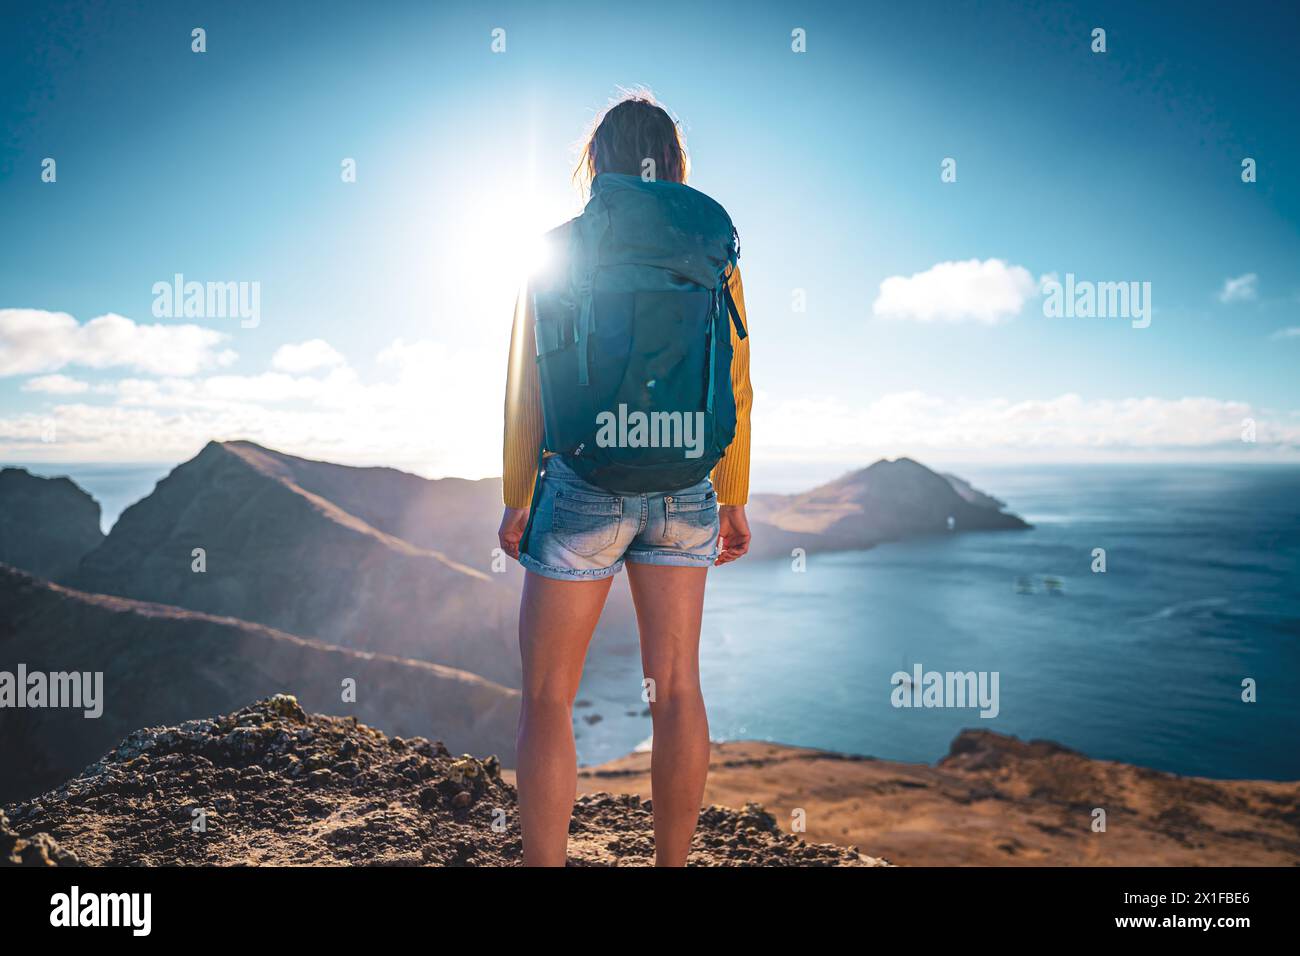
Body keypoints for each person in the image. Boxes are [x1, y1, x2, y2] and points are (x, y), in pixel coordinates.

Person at [497, 92, 753, 866]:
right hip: (686, 486)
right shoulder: (712, 247)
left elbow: (526, 385)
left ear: (598, 164)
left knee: (547, 700)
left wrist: (519, 495)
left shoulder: (558, 249)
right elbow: (737, 378)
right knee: (676, 690)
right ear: (671, 162)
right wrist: (733, 495)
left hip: (584, 486)